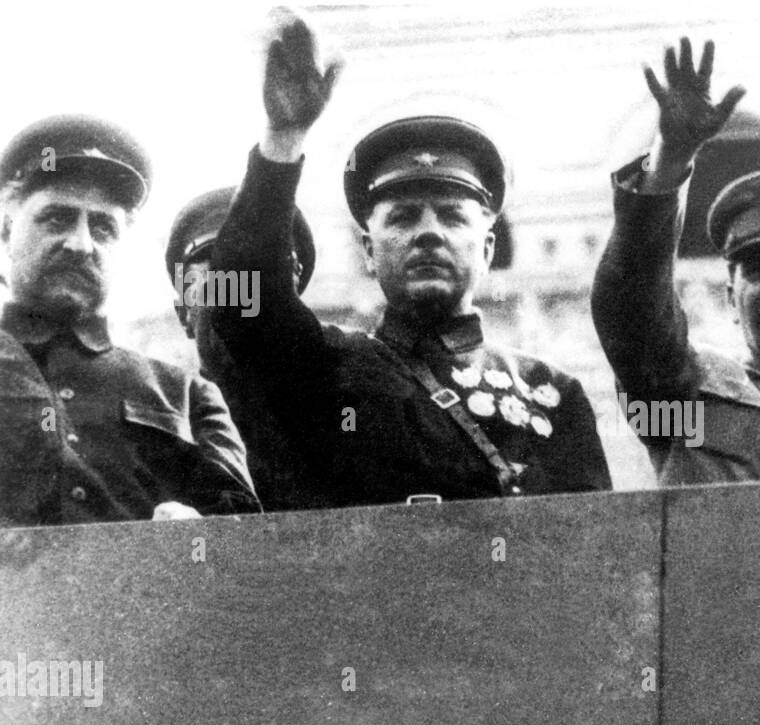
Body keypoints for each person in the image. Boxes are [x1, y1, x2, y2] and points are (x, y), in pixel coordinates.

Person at [208, 9, 610, 505]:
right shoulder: (321, 369)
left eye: (451, 216)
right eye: (402, 217)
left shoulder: (553, 395)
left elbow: (594, 551)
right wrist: (282, 142)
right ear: (368, 252)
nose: (428, 233)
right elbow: (235, 302)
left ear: (487, 248)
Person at [592, 37, 760, 484]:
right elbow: (629, 315)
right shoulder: (682, 403)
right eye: (756, 271)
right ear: (731, 299)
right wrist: (672, 158)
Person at [0, 115, 257, 526]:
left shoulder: (188, 396)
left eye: (103, 227)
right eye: (57, 218)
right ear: (7, 229)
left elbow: (253, 549)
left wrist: (201, 536)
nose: (81, 244)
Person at [167, 186, 333, 511]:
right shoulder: (162, 429)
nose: (239, 285)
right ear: (183, 313)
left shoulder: (351, 409)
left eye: (262, 270)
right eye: (217, 269)